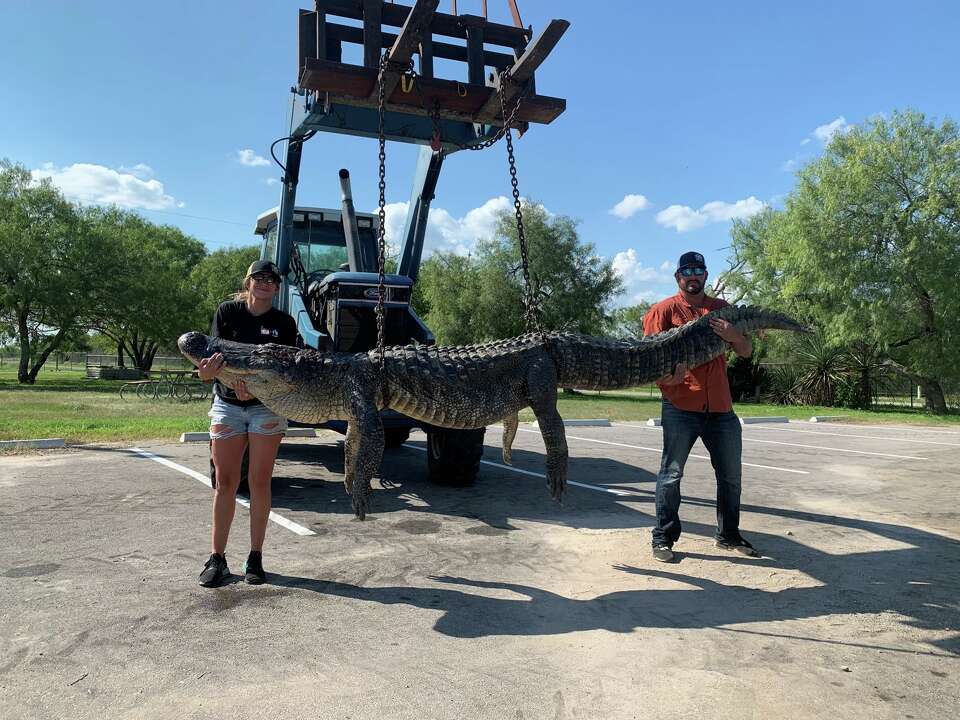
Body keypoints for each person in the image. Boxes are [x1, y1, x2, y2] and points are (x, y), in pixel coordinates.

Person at [642, 251, 759, 563]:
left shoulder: (723, 310)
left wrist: (734, 336)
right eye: (687, 271)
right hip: (681, 404)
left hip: (721, 408)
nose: (692, 276)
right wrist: (670, 382)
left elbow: (746, 352)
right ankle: (663, 538)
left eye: (698, 270)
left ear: (706, 275)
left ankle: (728, 535)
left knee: (731, 475)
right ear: (678, 277)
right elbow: (649, 360)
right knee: (671, 474)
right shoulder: (663, 311)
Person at [196, 260, 297, 587]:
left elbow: (288, 372)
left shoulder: (285, 323)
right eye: (259, 277)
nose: (265, 282)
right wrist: (207, 373)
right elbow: (213, 358)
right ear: (249, 281)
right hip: (227, 406)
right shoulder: (227, 313)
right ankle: (217, 558)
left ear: (278, 287)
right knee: (224, 482)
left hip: (266, 409)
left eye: (271, 279)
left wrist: (254, 388)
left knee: (260, 482)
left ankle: (255, 556)